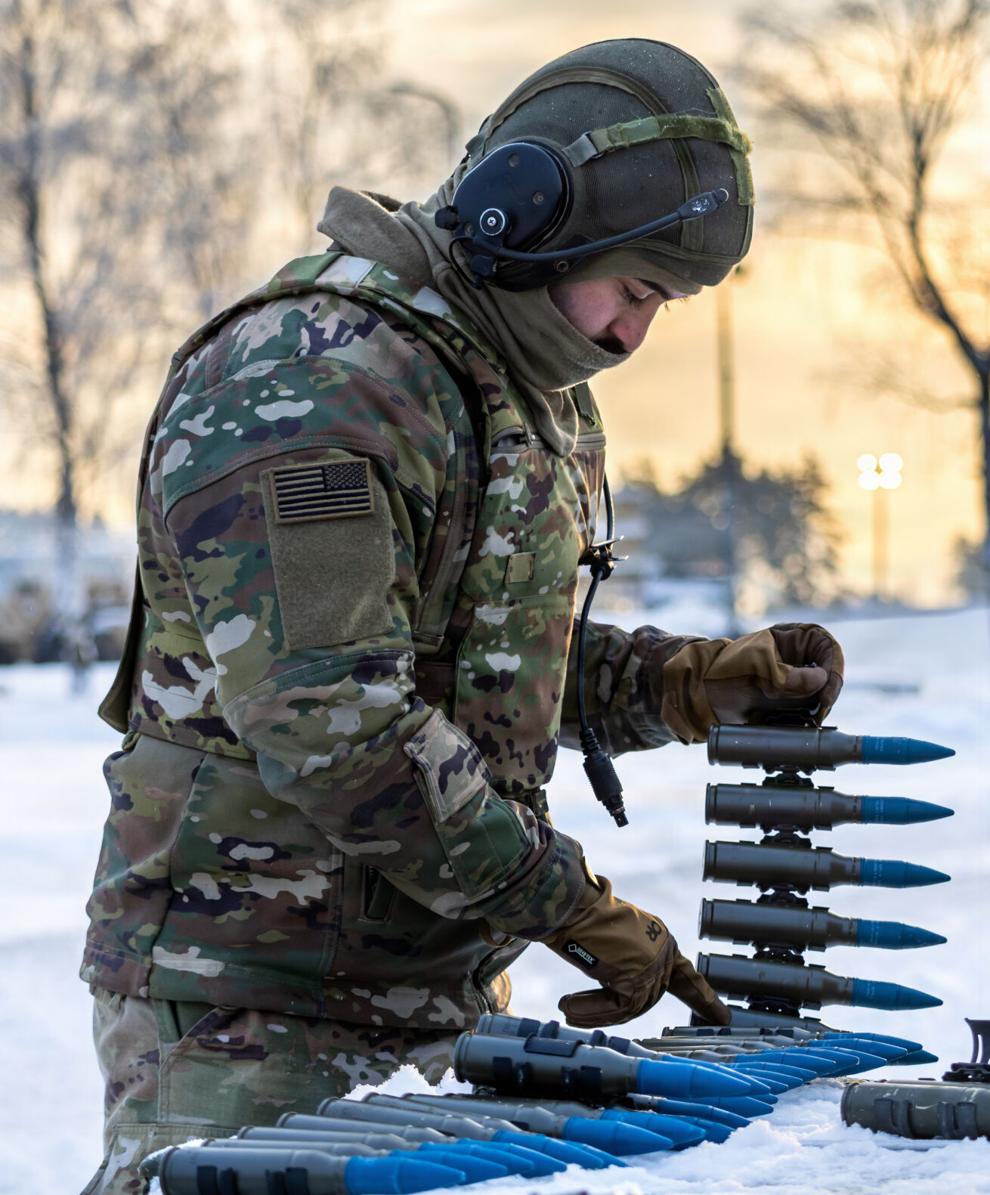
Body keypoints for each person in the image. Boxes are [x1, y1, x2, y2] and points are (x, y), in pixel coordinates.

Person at [80, 37, 843, 1194]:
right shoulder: (319, 382)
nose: (635, 334)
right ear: (522, 216)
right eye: (635, 289)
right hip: (251, 997)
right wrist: (576, 908)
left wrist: (684, 682)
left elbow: (478, 654)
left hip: (427, 988)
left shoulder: (511, 381)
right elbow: (333, 718)